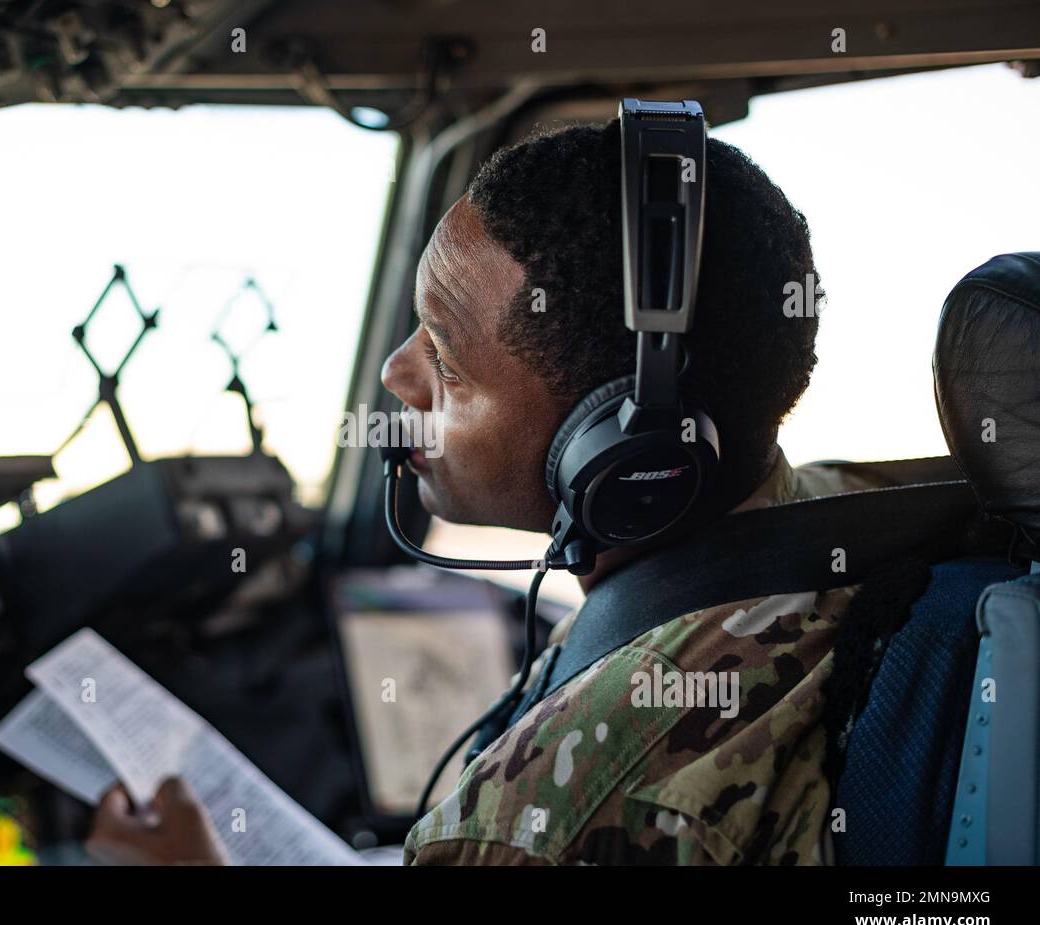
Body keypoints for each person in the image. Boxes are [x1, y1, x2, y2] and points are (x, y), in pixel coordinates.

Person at [86, 119, 878, 866]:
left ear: (621, 446)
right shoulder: (858, 517)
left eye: (447, 356)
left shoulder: (537, 823)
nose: (399, 372)